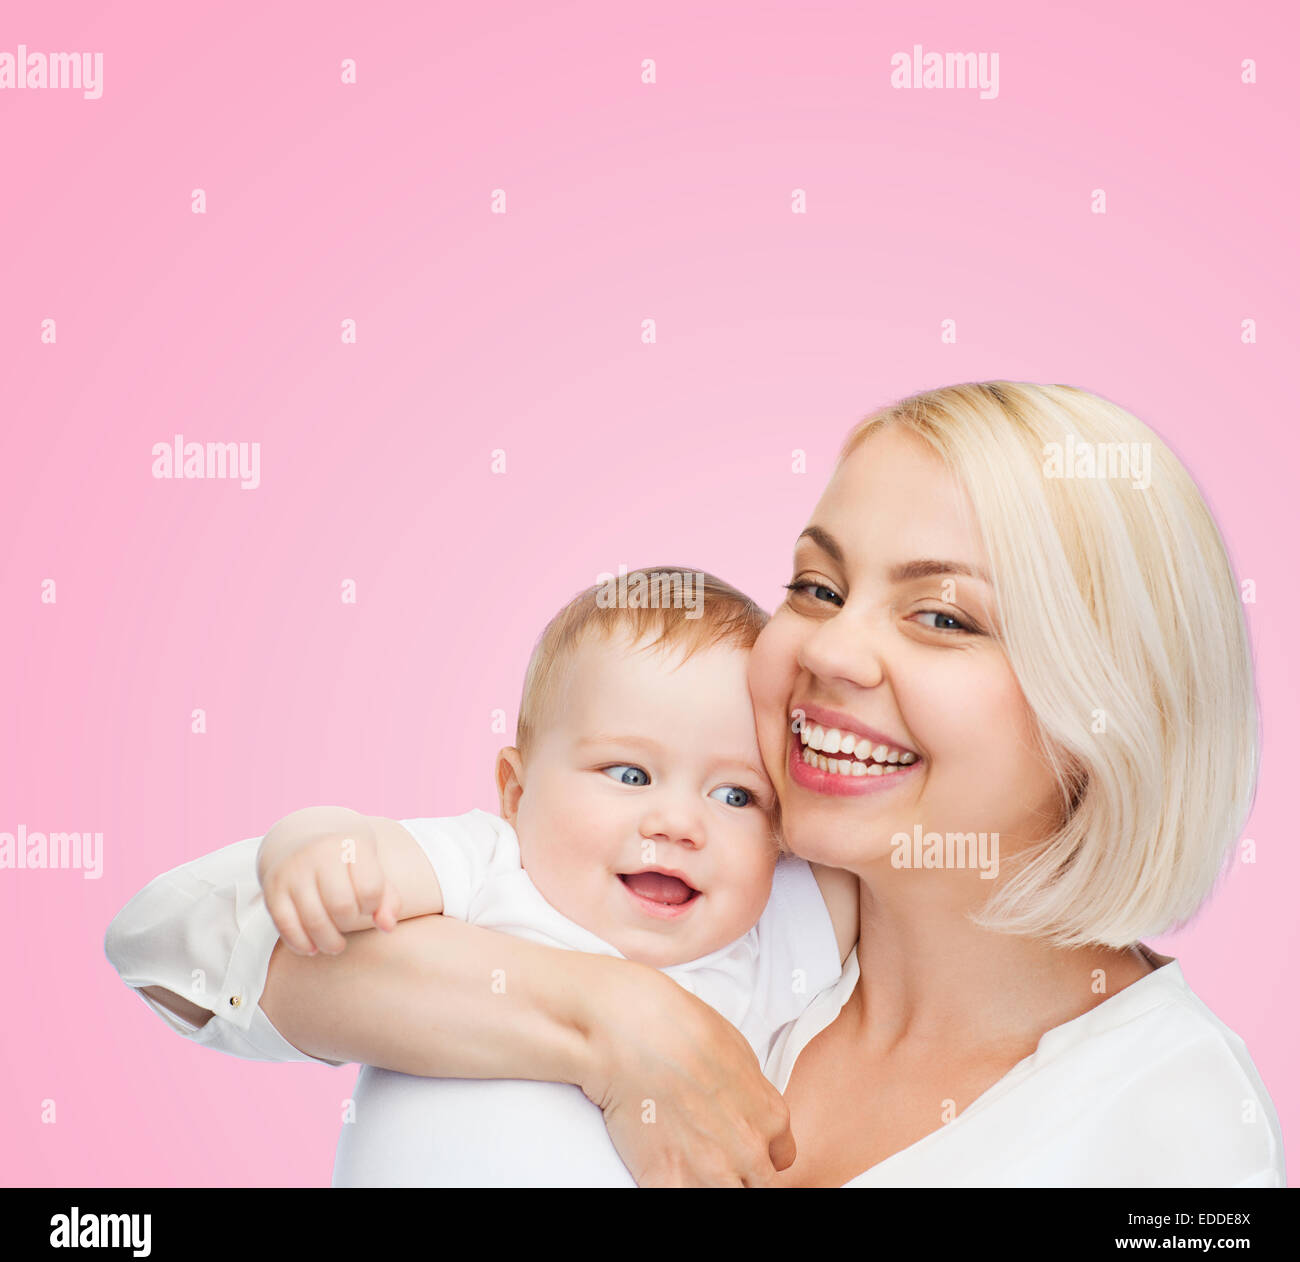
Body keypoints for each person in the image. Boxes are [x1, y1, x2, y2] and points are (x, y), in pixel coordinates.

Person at [107, 381, 1285, 1187]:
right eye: (817, 588)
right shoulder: (717, 893)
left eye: (940, 615)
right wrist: (616, 1021)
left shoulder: (1175, 1121)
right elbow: (179, 947)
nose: (828, 650)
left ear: (1106, 711)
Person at [105, 568, 856, 1185]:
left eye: (736, 796)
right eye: (630, 773)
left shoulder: (757, 945)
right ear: (516, 792)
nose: (679, 823)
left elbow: (880, 874)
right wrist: (306, 848)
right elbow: (352, 855)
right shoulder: (491, 866)